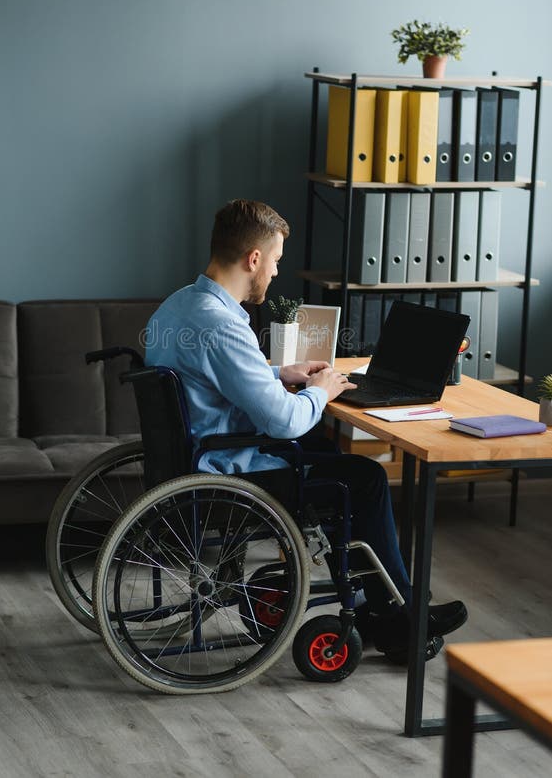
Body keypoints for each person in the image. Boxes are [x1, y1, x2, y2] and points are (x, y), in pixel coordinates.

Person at [144, 198, 467, 661]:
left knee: (327, 454)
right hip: (228, 473)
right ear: (253, 259)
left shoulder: (181, 305)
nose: (275, 273)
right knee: (365, 479)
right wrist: (322, 390)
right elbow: (283, 419)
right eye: (275, 261)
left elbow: (210, 378)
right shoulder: (221, 325)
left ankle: (385, 607)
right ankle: (400, 616)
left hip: (192, 457)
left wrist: (281, 373)